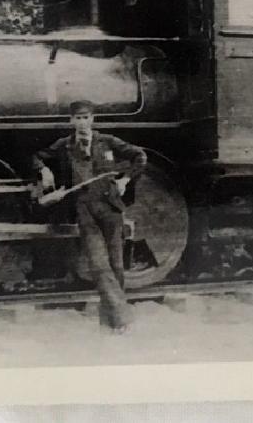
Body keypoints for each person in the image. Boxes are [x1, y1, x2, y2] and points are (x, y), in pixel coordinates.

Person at [31, 100, 147, 333]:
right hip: (85, 210)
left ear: (93, 119)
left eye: (86, 117)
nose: (82, 122)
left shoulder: (108, 141)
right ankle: (123, 319)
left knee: (116, 265)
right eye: (78, 118)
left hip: (111, 209)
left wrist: (126, 179)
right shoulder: (64, 145)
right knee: (98, 264)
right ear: (71, 121)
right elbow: (36, 156)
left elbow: (140, 156)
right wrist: (43, 170)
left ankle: (110, 321)